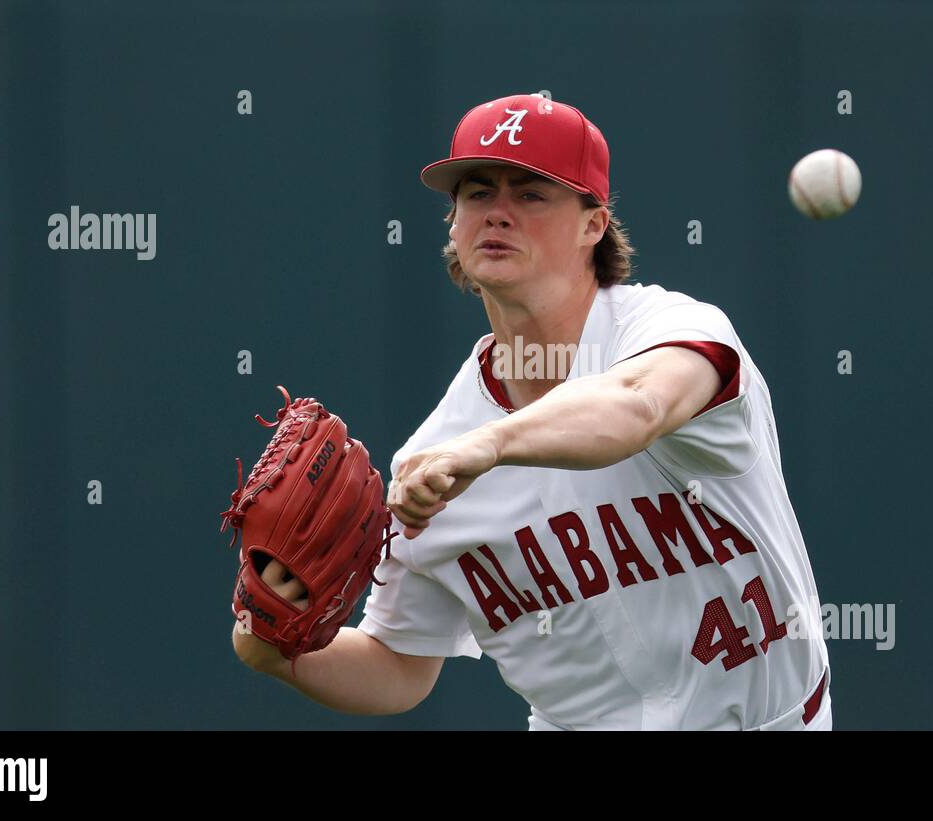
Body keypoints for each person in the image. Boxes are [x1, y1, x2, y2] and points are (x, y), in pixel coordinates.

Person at [233, 93, 832, 730]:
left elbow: (635, 405)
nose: (498, 213)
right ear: (454, 225)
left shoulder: (671, 330)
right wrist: (274, 650)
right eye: (476, 192)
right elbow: (397, 664)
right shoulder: (434, 459)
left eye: (531, 193)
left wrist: (492, 445)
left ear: (594, 223)